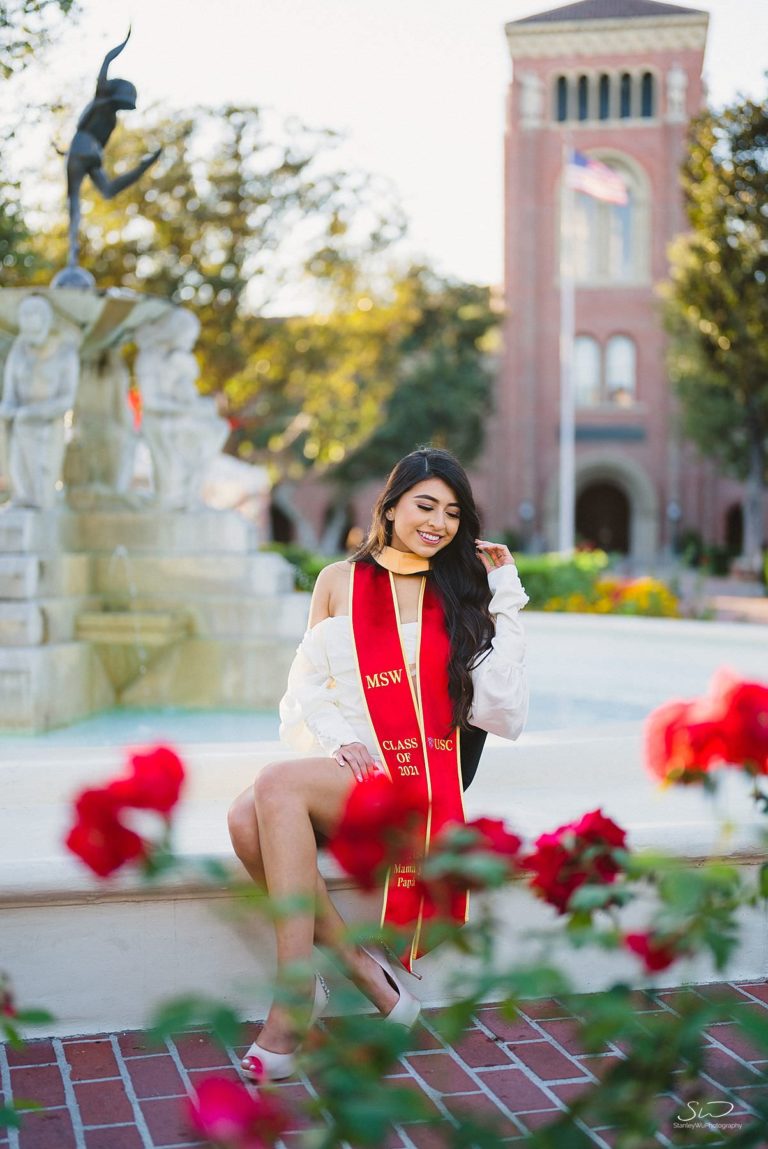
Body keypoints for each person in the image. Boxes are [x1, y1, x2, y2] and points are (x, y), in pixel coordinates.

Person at [228, 447, 528, 1080]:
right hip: (351, 760)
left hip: (421, 773)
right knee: (243, 818)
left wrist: (505, 594)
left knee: (272, 787)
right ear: (389, 508)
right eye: (425, 505)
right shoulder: (338, 579)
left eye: (452, 512)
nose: (439, 523)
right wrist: (337, 739)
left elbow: (503, 707)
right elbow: (309, 680)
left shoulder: (462, 588)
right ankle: (362, 970)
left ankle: (293, 1000)